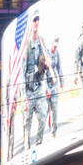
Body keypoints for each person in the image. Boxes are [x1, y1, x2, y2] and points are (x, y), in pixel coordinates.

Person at [23, 15, 49, 148]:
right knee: (27, 121)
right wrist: (24, 97)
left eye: (38, 20)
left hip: (39, 87)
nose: (36, 23)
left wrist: (48, 62)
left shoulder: (41, 41)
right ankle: (26, 144)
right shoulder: (26, 44)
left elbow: (48, 62)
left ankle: (39, 142)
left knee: (43, 116)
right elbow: (22, 72)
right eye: (34, 20)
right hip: (28, 89)